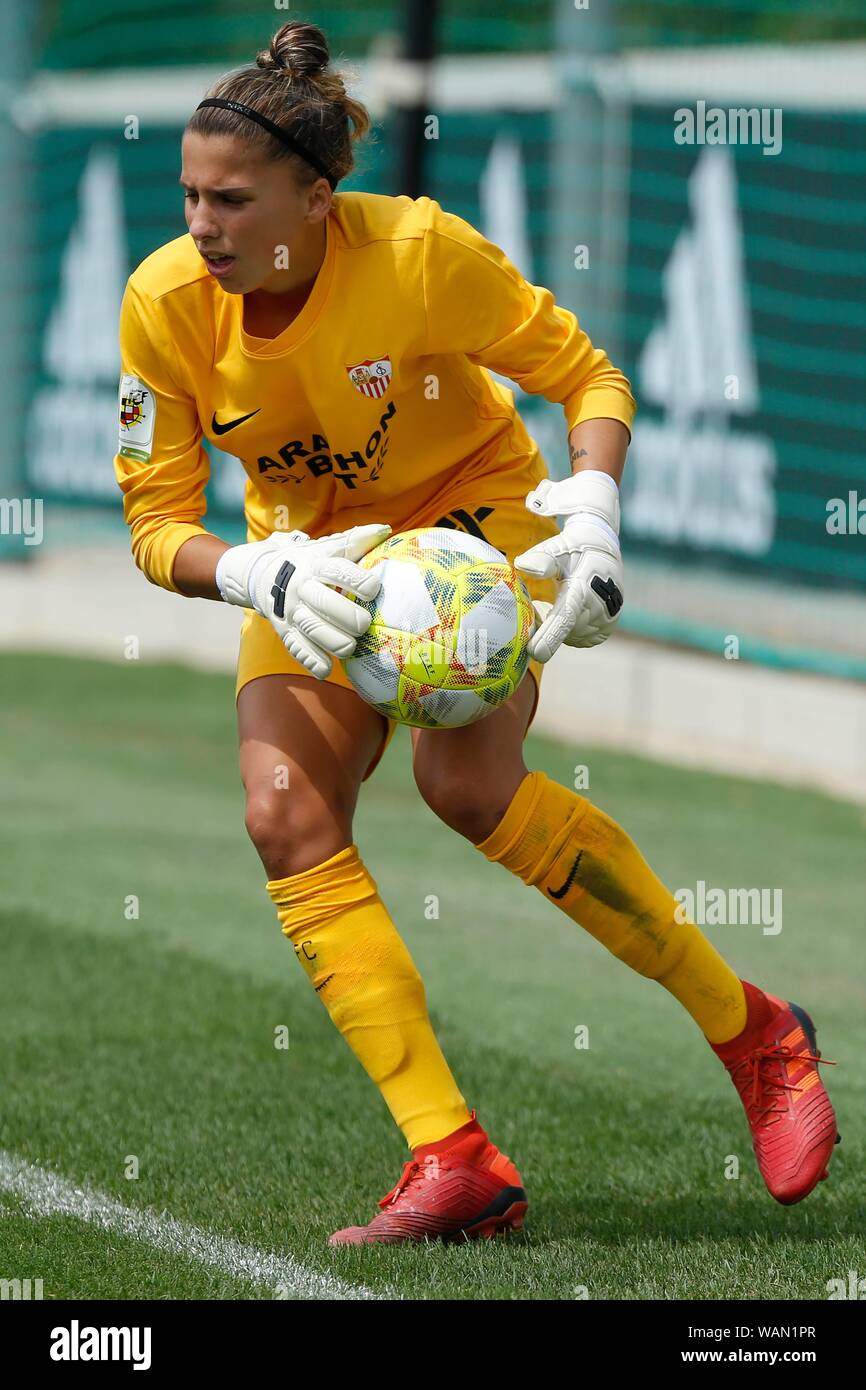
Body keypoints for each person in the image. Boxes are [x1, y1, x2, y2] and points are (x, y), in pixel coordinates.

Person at [113, 20, 839, 1246]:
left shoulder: (418, 253)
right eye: (188, 193)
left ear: (318, 196)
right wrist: (248, 571)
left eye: (231, 199)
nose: (200, 224)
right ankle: (453, 1158)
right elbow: (153, 522)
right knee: (283, 813)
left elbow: (588, 376)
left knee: (466, 787)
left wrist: (595, 510)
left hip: (471, 526)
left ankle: (756, 1033)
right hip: (314, 569)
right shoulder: (165, 306)